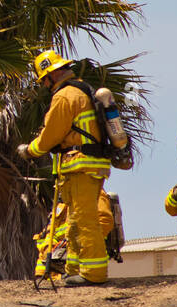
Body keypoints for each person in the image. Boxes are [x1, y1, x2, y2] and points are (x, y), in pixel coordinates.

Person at [18, 50, 111, 286]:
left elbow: (51, 135)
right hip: (86, 163)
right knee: (74, 221)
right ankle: (75, 268)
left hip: (80, 164)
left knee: (84, 218)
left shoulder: (65, 95)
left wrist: (30, 150)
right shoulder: (83, 89)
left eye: (44, 80)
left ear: (51, 74)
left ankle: (94, 273)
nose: (44, 85)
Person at [35, 184, 115, 281]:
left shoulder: (94, 193)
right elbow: (51, 232)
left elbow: (105, 221)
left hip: (83, 263)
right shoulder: (63, 204)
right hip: (53, 274)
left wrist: (81, 241)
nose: (57, 187)